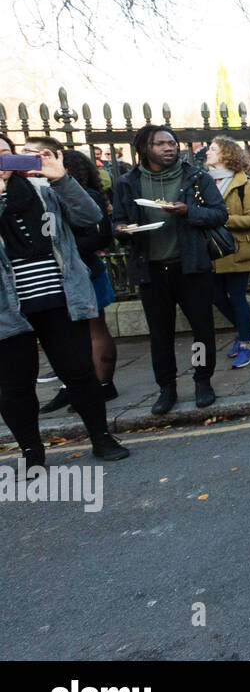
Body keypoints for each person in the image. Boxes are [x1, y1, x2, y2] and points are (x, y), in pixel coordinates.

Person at [0, 136, 129, 464]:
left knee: (79, 372)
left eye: (3, 154)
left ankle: (101, 437)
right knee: (15, 387)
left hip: (59, 299)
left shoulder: (44, 190)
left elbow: (90, 217)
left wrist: (60, 178)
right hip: (8, 310)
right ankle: (32, 452)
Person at [113, 125, 227, 414]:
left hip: (190, 267)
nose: (169, 148)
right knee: (160, 335)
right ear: (144, 149)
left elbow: (219, 214)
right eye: (160, 144)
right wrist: (123, 230)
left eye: (172, 143)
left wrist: (188, 211)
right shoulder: (128, 183)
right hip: (151, 270)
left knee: (201, 330)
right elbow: (118, 222)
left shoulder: (196, 178)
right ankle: (167, 388)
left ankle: (202, 381)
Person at [33, 143, 121, 413]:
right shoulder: (27, 194)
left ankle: (104, 384)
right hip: (50, 281)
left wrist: (63, 250)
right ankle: (70, 387)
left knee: (95, 330)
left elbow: (100, 234)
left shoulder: (84, 194)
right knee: (63, 338)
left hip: (86, 272)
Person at [206, 136, 250, 368]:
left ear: (226, 154)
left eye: (212, 149)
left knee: (237, 297)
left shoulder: (245, 184)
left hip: (238, 249)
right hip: (212, 251)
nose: (207, 152)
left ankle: (245, 346)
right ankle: (247, 331)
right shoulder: (205, 183)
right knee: (217, 297)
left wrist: (222, 219)